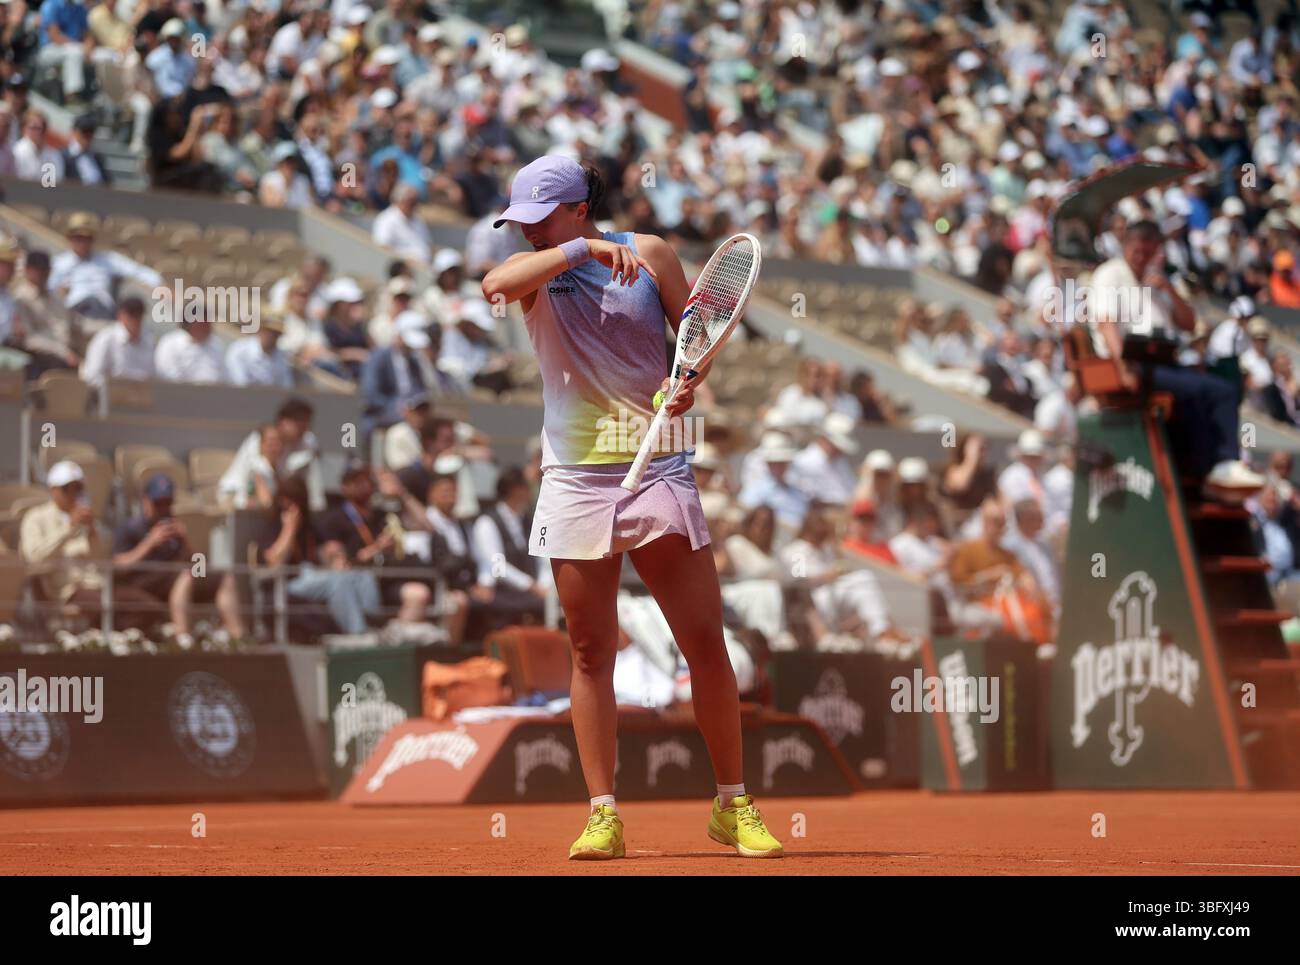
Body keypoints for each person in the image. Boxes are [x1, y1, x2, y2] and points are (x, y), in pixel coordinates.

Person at [482, 155, 783, 859]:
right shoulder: (542, 268)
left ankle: (731, 804)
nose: (526, 233)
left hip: (658, 470)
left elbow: (695, 340)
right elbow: (495, 286)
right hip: (576, 480)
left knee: (704, 641)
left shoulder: (651, 256)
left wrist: (688, 385)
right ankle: (603, 813)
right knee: (590, 650)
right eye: (520, 222)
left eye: (540, 219)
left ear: (579, 205)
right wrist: (581, 249)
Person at [1089, 220, 1261, 491]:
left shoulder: (1156, 278)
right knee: (1220, 392)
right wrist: (1123, 368)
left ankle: (1205, 472)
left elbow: (1189, 323)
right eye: (1138, 251)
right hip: (1133, 363)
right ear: (1126, 245)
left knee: (1217, 386)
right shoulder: (1110, 274)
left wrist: (1167, 289)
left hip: (1165, 359)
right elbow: (1107, 324)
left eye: (1149, 252)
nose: (1143, 258)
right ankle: (1224, 464)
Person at [19, 461, 155, 628]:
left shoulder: (86, 516)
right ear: (53, 490)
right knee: (106, 609)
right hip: (67, 590)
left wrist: (92, 533)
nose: (73, 493)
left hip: (98, 586)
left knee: (147, 604)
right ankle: (114, 640)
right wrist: (69, 529)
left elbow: (102, 561)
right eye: (67, 488)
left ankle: (123, 639)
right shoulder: (36, 518)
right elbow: (35, 559)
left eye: (78, 488)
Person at [113, 474, 246, 644]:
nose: (163, 508)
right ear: (145, 501)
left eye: (167, 503)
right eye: (158, 503)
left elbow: (201, 568)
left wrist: (187, 542)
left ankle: (238, 637)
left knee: (224, 578)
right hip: (143, 582)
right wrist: (149, 544)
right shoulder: (130, 528)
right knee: (185, 575)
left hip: (176, 581)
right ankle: (183, 637)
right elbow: (118, 565)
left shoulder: (175, 530)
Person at [470, 468, 550, 632]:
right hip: (500, 591)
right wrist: (531, 585)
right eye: (527, 487)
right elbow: (497, 567)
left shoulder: (529, 521)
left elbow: (543, 557)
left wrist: (544, 585)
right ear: (515, 490)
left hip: (531, 593)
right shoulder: (487, 522)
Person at [49, 212, 163, 321]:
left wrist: (160, 286)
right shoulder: (59, 263)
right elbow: (48, 288)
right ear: (70, 239)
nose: (83, 243)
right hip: (73, 312)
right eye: (78, 238)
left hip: (102, 312)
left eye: (87, 238)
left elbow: (138, 271)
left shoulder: (107, 259)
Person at [80, 296, 155, 388]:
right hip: (112, 397)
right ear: (120, 315)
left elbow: (153, 375)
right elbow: (92, 376)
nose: (135, 319)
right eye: (131, 314)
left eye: (138, 314)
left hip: (143, 396)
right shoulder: (106, 338)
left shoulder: (148, 340)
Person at [225, 313, 294, 387]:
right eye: (269, 331)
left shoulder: (281, 357)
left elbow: (286, 386)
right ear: (260, 330)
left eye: (276, 334)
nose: (272, 337)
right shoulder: (239, 351)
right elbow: (240, 384)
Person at [154, 315, 228, 384]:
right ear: (190, 323)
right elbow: (169, 377)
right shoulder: (170, 343)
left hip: (215, 394)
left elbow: (226, 377)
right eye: (204, 323)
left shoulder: (216, 344)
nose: (209, 327)